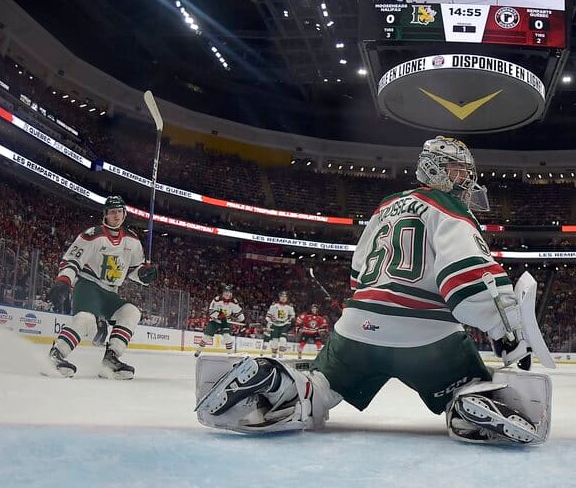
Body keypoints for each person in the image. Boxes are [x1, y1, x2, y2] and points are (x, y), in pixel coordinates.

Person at [194, 137, 548, 446]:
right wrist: (507, 333)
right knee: (469, 385)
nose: (466, 179)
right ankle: (469, 409)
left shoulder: (384, 207)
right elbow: (468, 280)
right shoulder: (450, 208)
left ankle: (280, 386)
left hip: (356, 329)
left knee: (320, 387)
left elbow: (358, 274)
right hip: (426, 339)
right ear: (435, 169)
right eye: (458, 170)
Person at [46, 195, 158, 379]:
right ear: (105, 215)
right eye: (112, 212)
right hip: (89, 285)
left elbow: (133, 270)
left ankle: (111, 358)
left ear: (124, 214)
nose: (116, 216)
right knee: (86, 320)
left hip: (111, 292)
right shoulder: (92, 235)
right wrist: (64, 281)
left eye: (119, 212)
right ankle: (56, 354)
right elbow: (72, 260)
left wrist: (144, 275)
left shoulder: (132, 240)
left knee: (131, 312)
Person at [195, 285, 245, 358]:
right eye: (225, 292)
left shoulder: (234, 302)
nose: (227, 294)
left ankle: (230, 355)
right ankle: (198, 351)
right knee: (206, 337)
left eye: (229, 293)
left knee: (227, 337)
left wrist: (242, 319)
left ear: (231, 294)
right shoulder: (217, 300)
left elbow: (238, 313)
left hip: (225, 322)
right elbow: (211, 310)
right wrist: (218, 315)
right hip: (215, 321)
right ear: (223, 293)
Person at [263, 290, 296, 357]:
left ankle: (281, 356)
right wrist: (269, 322)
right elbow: (268, 315)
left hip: (284, 325)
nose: (283, 298)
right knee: (274, 342)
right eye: (282, 296)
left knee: (282, 339)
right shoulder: (274, 305)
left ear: (287, 298)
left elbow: (292, 316)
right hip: (275, 325)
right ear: (279, 297)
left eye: (285, 297)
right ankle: (274, 356)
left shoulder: (289, 306)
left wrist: (290, 321)